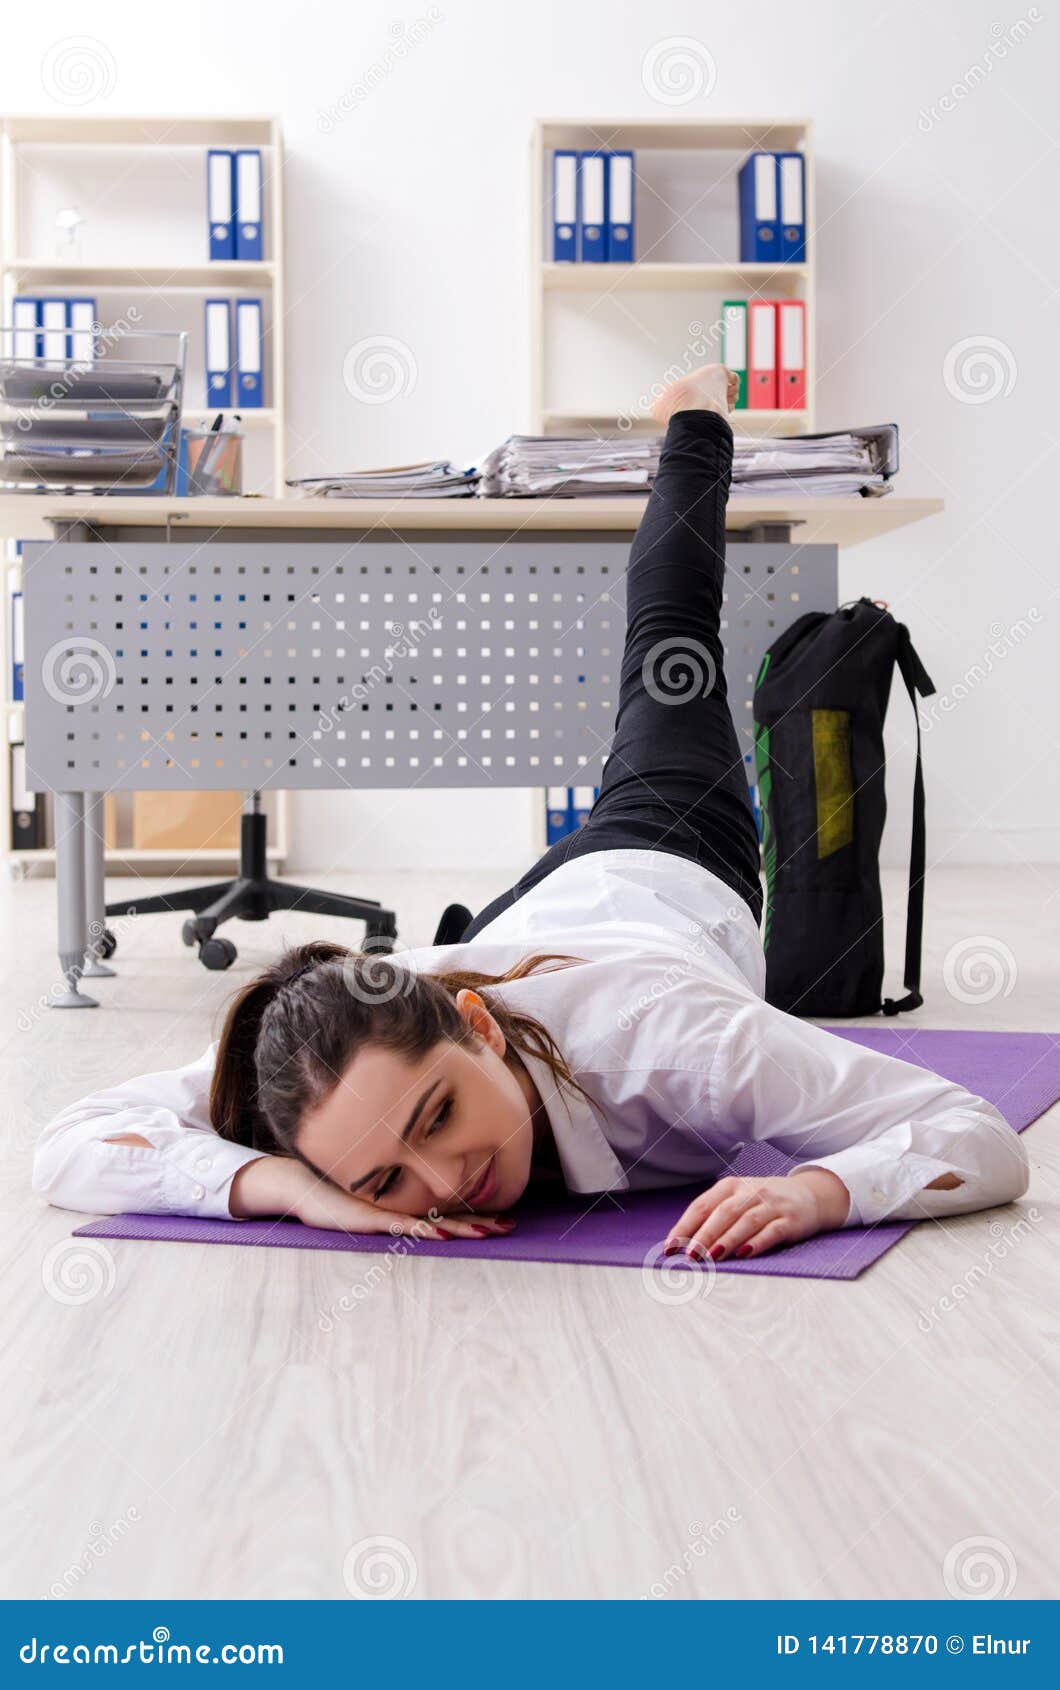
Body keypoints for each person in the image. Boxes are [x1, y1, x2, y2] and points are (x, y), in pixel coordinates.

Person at [32, 367, 1029, 1263]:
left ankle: (695, 420)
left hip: (664, 846)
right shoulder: (353, 1048)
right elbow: (68, 1147)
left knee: (670, 637)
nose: (442, 1181)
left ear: (478, 1028)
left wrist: (822, 1189)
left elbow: (973, 1134)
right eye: (380, 1180)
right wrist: (290, 1188)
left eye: (437, 1114)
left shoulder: (680, 1045)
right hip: (517, 930)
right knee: (455, 964)